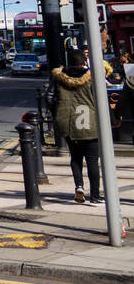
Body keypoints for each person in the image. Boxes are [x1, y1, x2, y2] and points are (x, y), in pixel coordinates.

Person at [51, 49, 103, 203]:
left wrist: (57, 112)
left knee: (75, 157)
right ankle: (94, 196)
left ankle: (79, 186)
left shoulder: (59, 77)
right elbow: (100, 99)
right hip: (89, 122)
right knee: (92, 160)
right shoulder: (91, 77)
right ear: (84, 61)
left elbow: (49, 98)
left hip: (67, 122)